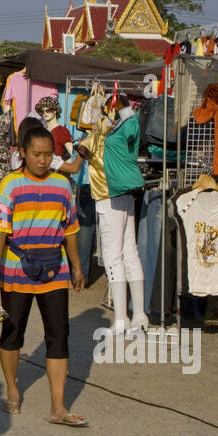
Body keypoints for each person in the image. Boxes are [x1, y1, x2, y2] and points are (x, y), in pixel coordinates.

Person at [0, 125, 88, 427]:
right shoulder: (9, 185)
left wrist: (77, 267)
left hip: (55, 271)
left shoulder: (63, 186)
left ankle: (58, 405)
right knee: (13, 332)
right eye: (36, 154)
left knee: (58, 335)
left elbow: (70, 230)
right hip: (16, 271)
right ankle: (13, 388)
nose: (42, 160)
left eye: (47, 155)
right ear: (23, 154)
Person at [75, 93, 146, 332]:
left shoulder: (101, 136)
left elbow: (80, 159)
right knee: (130, 252)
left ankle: (121, 318)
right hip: (125, 193)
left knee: (113, 256)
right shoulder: (126, 128)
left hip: (107, 198)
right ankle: (139, 314)